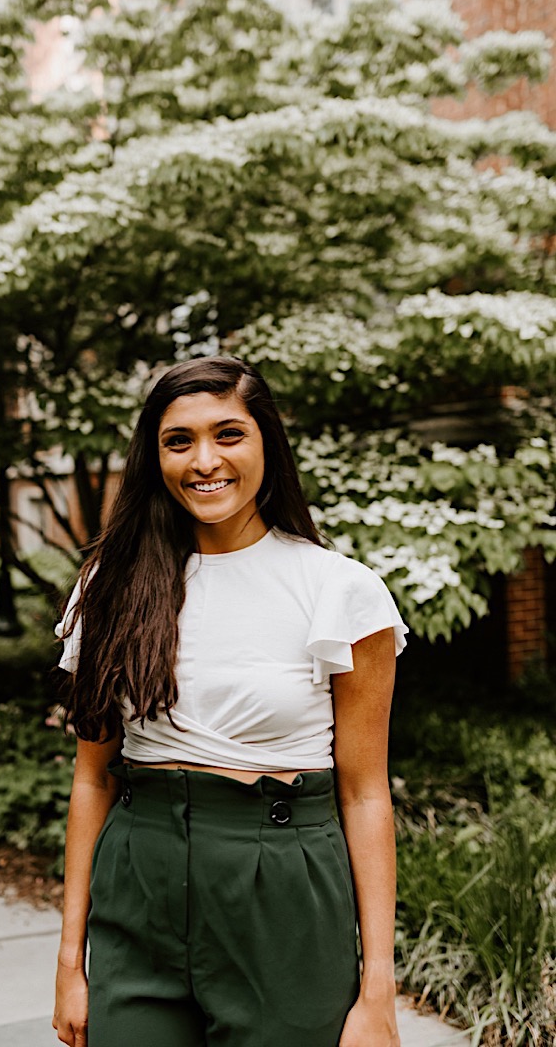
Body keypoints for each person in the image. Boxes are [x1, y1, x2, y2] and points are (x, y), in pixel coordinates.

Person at [51, 357, 407, 1047]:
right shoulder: (111, 586)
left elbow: (366, 796)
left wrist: (378, 991)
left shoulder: (339, 590)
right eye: (178, 441)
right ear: (155, 458)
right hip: (139, 886)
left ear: (267, 442)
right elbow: (91, 777)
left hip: (281, 890)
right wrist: (71, 965)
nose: (204, 460)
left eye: (229, 434)